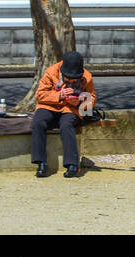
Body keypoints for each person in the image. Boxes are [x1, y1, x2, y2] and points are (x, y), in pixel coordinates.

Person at [31, 49, 97, 178]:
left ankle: (72, 164)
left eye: (75, 79)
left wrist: (80, 102)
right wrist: (59, 95)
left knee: (67, 125)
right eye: (68, 78)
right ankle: (41, 163)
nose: (71, 81)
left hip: (70, 109)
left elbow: (92, 98)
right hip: (49, 105)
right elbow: (40, 95)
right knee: (38, 121)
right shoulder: (51, 72)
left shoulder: (87, 77)